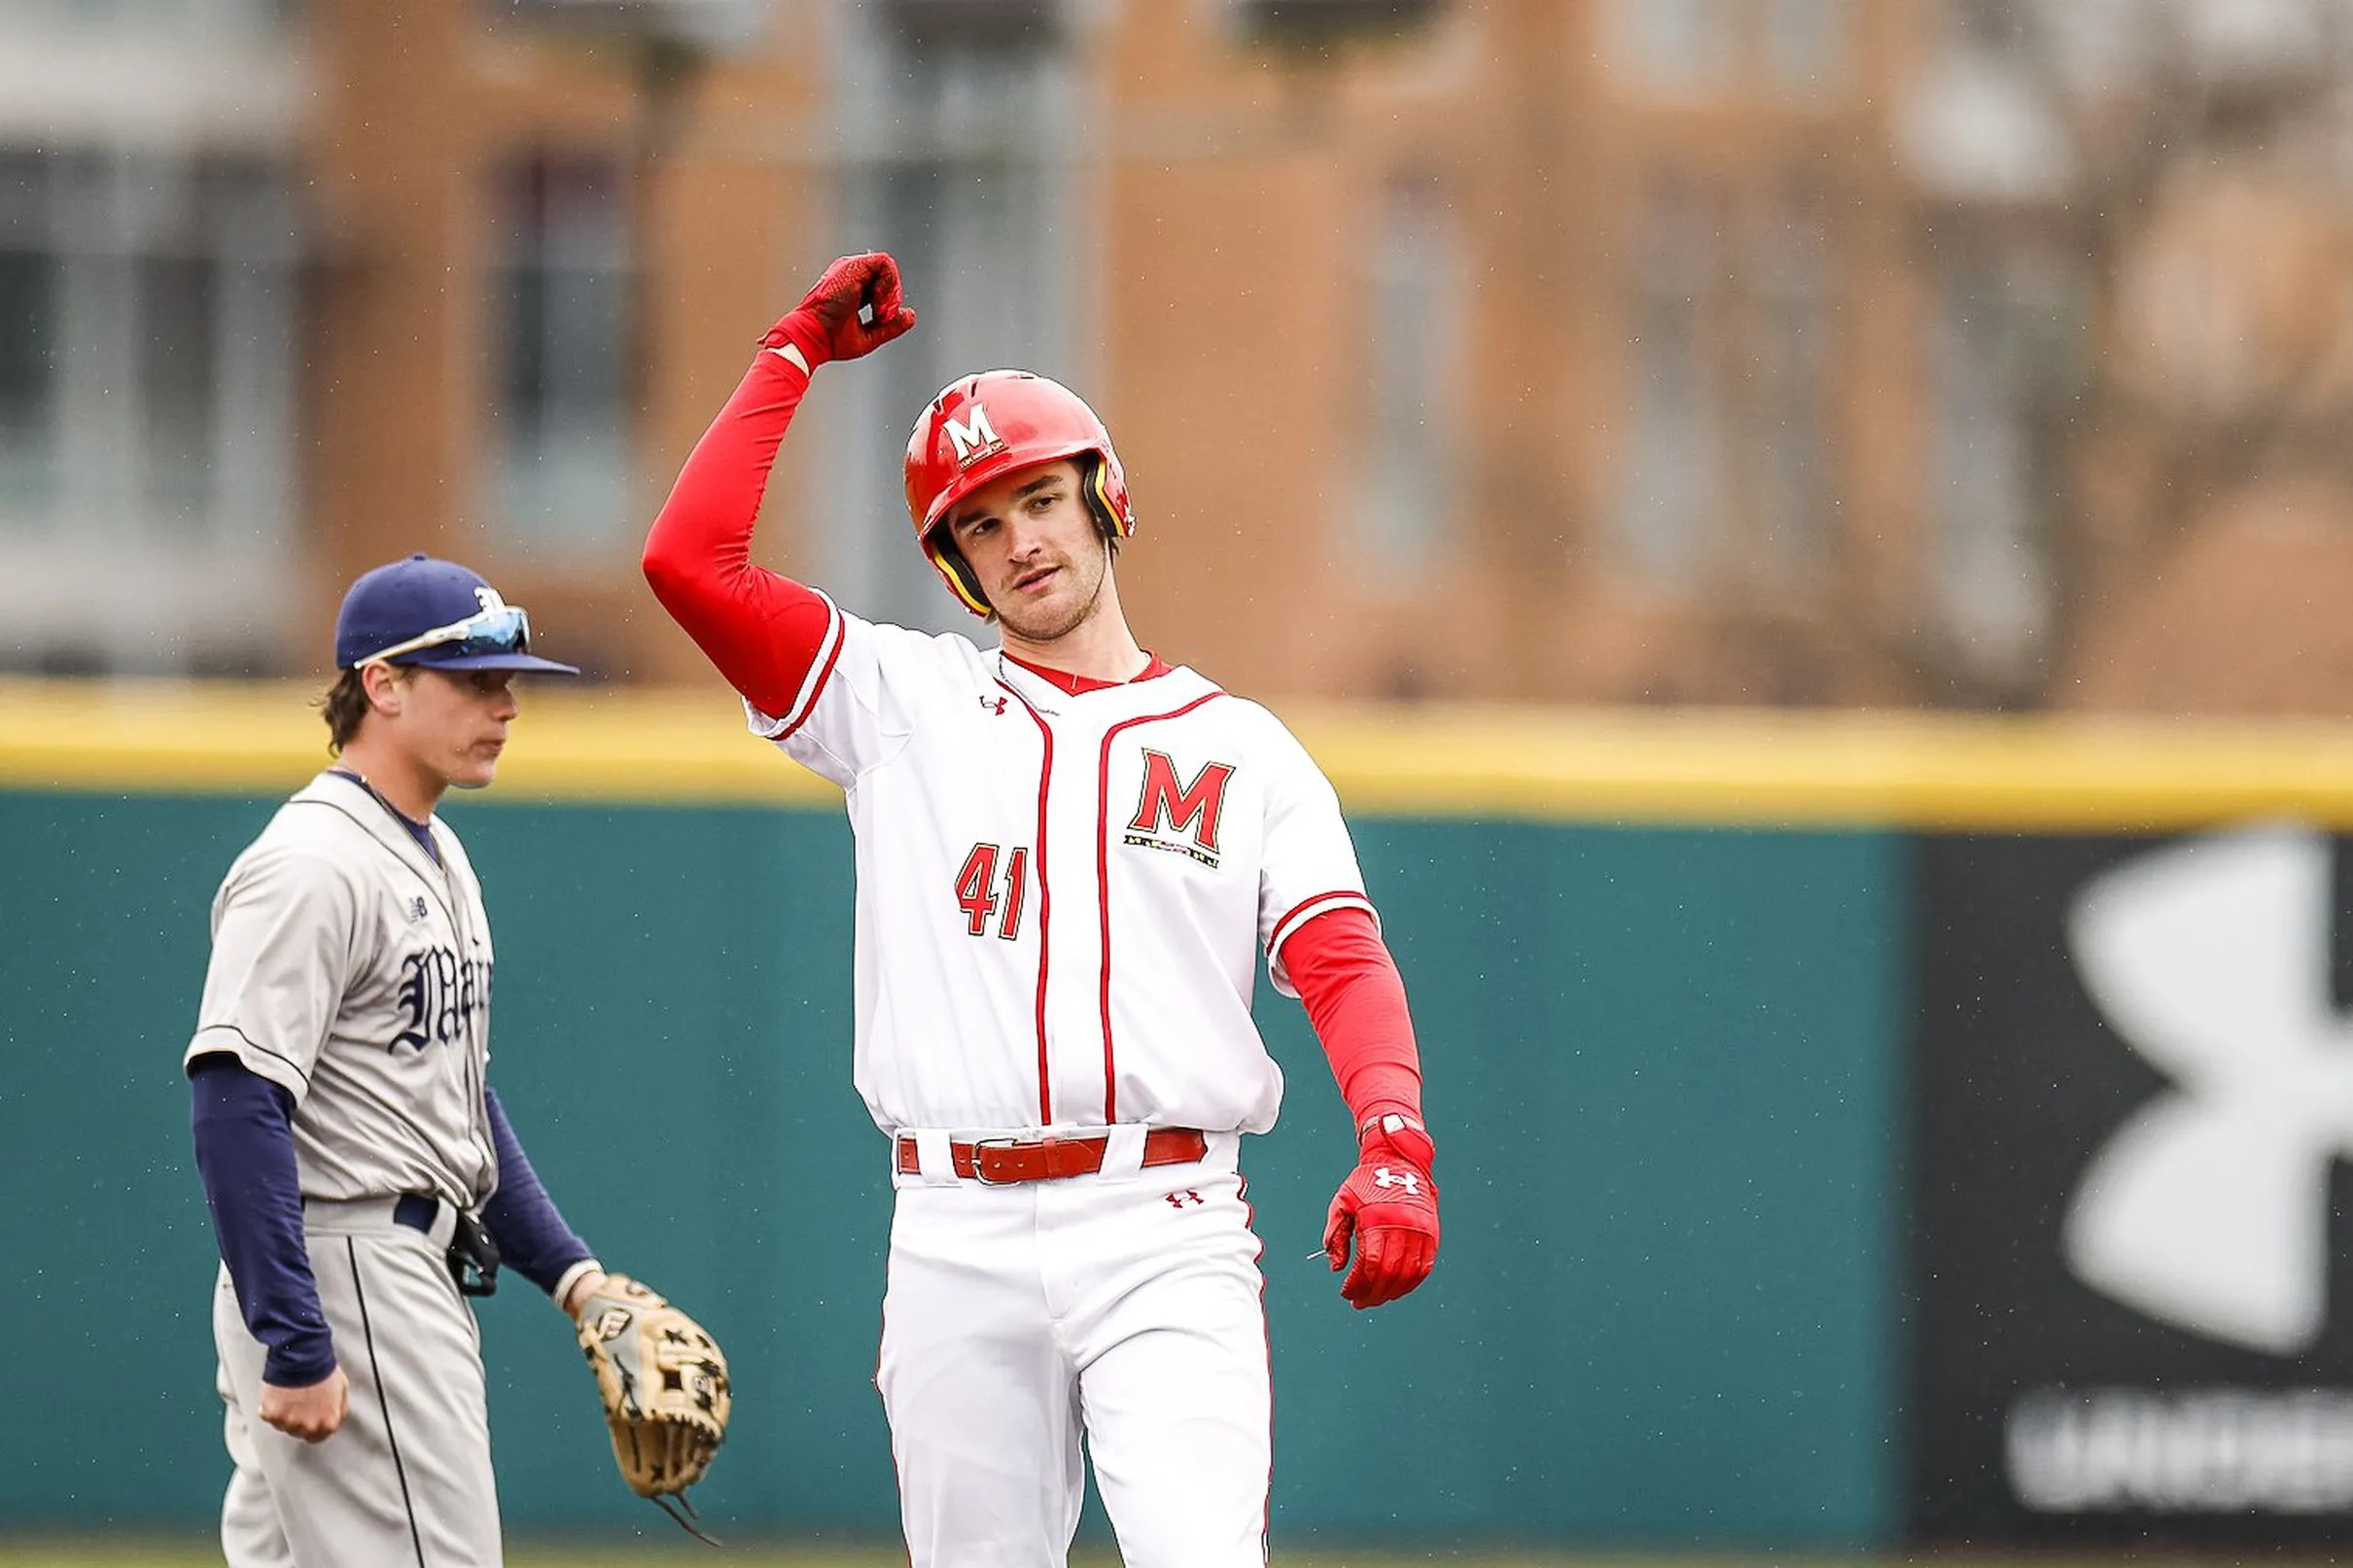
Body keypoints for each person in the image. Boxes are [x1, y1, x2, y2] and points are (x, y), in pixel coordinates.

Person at [641, 252, 1442, 1567]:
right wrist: (790, 352)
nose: (1020, 540)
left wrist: (1392, 1133)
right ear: (957, 566)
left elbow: (1341, 960)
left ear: (1104, 499)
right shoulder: (900, 707)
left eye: (1041, 500)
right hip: (953, 1226)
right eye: (981, 524)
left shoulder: (1243, 748)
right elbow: (690, 563)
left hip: (1164, 1221)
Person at [186, 555, 670, 1566]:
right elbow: (236, 1104)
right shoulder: (312, 862)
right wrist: (297, 1335)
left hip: (378, 1261)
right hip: (350, 1267)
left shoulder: (435, 851)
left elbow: (452, 1101)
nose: (505, 705)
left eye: (509, 681)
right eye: (475, 680)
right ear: (383, 682)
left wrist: (574, 1276)